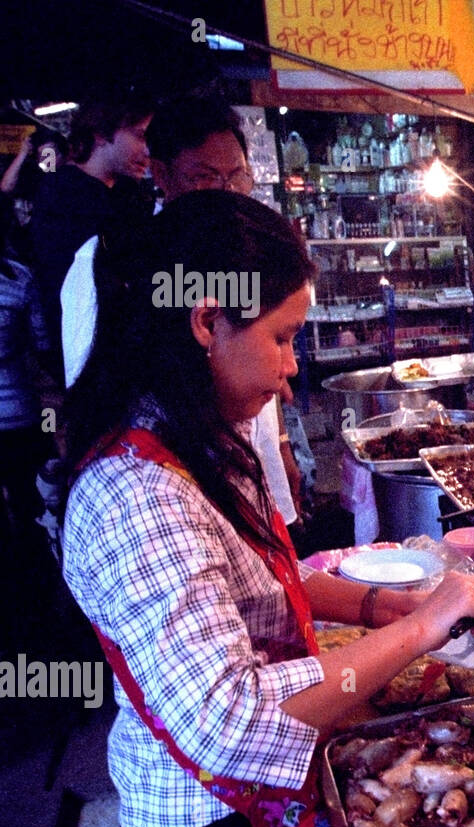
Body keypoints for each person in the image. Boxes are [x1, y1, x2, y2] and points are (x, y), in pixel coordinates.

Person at [61, 191, 474, 827]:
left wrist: (389, 606)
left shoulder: (196, 435)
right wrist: (420, 627)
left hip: (266, 795)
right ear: (208, 321)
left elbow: (259, 578)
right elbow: (228, 726)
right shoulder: (136, 495)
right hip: (208, 821)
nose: (292, 369)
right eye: (282, 337)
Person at [61, 96, 303, 523]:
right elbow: (92, 384)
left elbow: (263, 341)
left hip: (247, 463)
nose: (227, 193)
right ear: (162, 174)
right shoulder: (110, 261)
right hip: (175, 482)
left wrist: (279, 442)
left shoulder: (244, 251)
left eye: (237, 177)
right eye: (206, 178)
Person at [31, 92, 155, 363]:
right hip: (87, 357)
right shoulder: (64, 197)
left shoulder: (125, 195)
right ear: (100, 134)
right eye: (140, 135)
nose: (149, 150)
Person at [0, 209, 53, 555]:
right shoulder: (20, 279)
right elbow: (44, 346)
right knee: (29, 503)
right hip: (21, 412)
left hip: (20, 413)